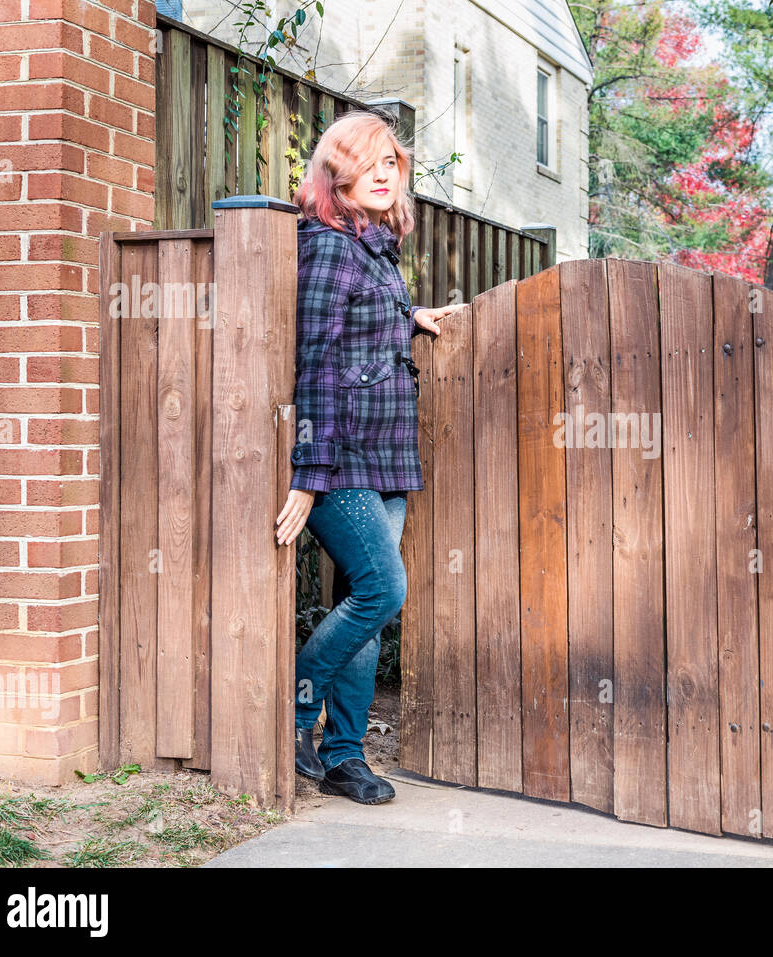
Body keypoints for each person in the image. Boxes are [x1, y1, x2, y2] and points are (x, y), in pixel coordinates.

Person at [274, 111, 465, 805]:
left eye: (393, 161)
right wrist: (306, 474)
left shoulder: (375, 249)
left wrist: (407, 317)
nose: (386, 173)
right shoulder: (325, 245)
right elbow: (315, 363)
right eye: (370, 161)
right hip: (342, 457)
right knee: (384, 589)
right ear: (338, 172)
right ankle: (292, 710)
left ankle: (343, 756)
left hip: (386, 454)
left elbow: (362, 323)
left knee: (367, 606)